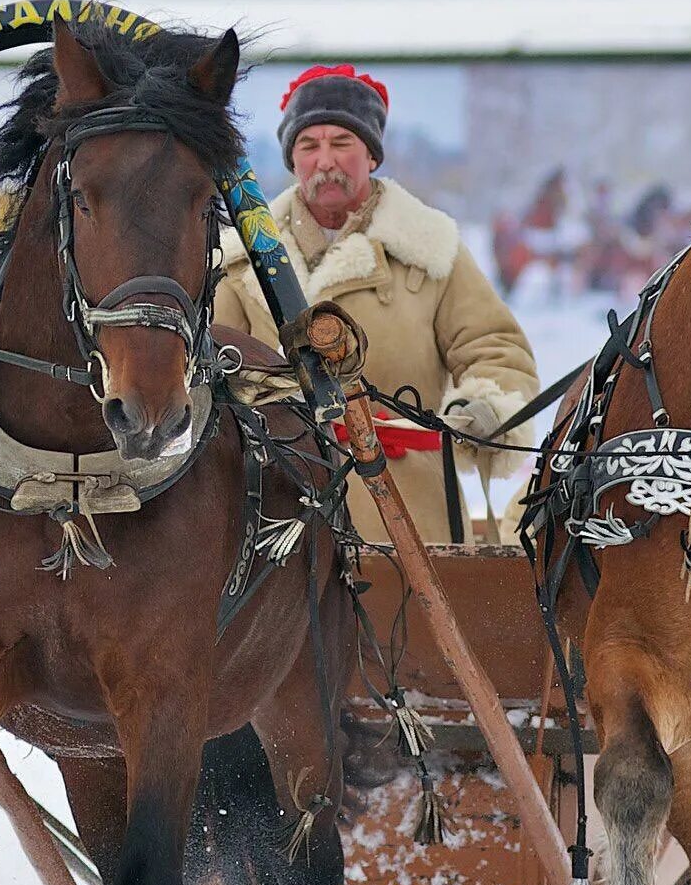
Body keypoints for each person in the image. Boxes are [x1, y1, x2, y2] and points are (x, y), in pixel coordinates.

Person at [214, 63, 539, 538]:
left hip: (412, 513)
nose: (325, 160)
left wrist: (485, 406)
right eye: (309, 145)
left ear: (370, 154)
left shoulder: (431, 251)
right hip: (278, 509)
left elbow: (496, 349)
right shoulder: (243, 262)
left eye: (341, 143)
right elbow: (211, 362)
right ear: (292, 160)